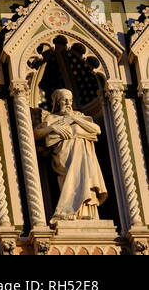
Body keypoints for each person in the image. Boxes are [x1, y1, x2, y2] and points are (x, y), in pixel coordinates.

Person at [35, 89, 107, 222]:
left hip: (83, 154)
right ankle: (67, 211)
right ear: (57, 102)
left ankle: (84, 212)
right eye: (64, 100)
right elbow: (36, 134)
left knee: (84, 176)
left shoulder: (79, 116)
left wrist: (74, 119)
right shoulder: (52, 118)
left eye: (70, 100)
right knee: (70, 177)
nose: (68, 103)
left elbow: (97, 130)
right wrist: (53, 128)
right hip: (64, 154)